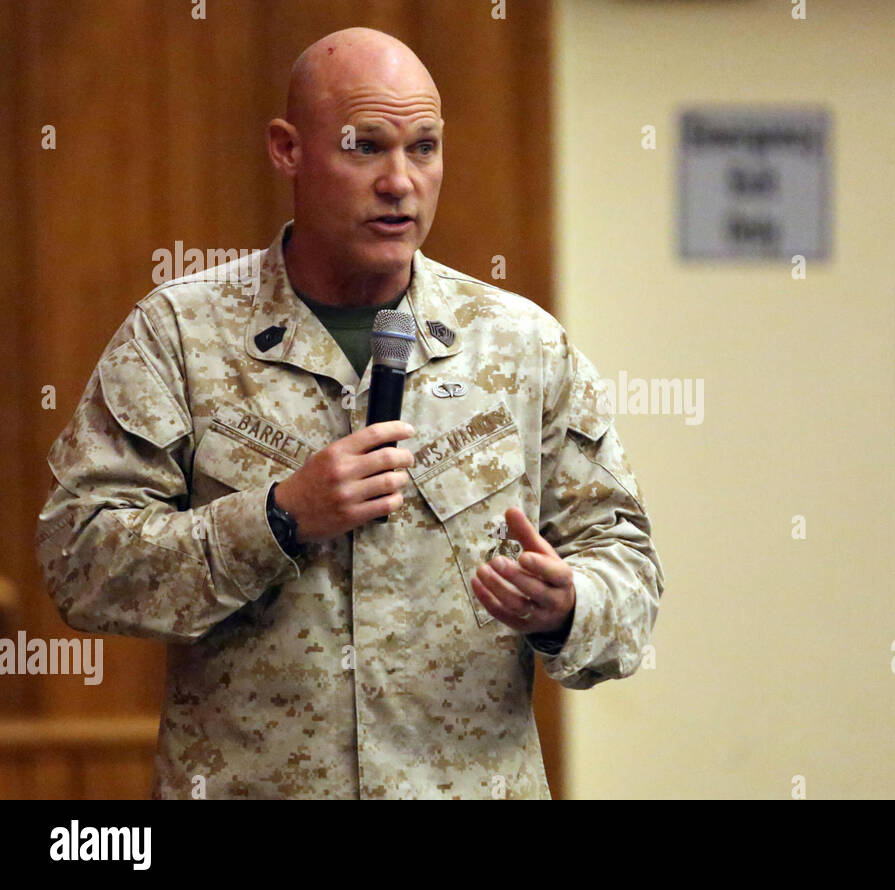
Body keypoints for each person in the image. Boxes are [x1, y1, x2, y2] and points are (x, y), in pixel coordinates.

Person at [35, 27, 664, 799]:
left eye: (424, 148)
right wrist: (276, 520)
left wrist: (568, 606)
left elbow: (626, 566)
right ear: (287, 150)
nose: (400, 181)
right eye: (365, 146)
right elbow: (81, 562)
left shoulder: (523, 346)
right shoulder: (179, 336)